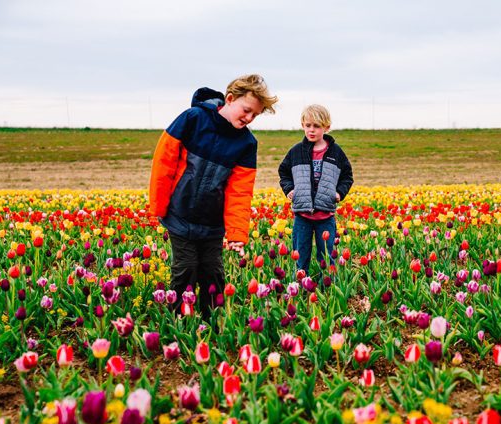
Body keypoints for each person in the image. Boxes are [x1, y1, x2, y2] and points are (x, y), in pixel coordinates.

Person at [148, 74, 277, 318]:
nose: (249, 118)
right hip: (180, 213)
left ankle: (213, 324)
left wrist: (237, 233)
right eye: (247, 110)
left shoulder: (246, 143)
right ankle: (179, 322)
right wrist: (159, 205)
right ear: (230, 99)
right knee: (185, 270)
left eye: (255, 115)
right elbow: (163, 163)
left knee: (213, 273)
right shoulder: (193, 119)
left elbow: (240, 192)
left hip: (212, 224)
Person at [278, 104, 353, 278]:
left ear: (326, 127)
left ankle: (326, 287)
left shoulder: (335, 152)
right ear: (303, 125)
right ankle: (301, 288)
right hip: (302, 215)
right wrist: (289, 189)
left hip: (325, 216)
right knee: (300, 255)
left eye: (317, 126)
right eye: (308, 125)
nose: (311, 130)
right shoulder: (296, 151)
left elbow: (347, 176)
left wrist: (339, 193)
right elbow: (284, 172)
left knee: (326, 256)